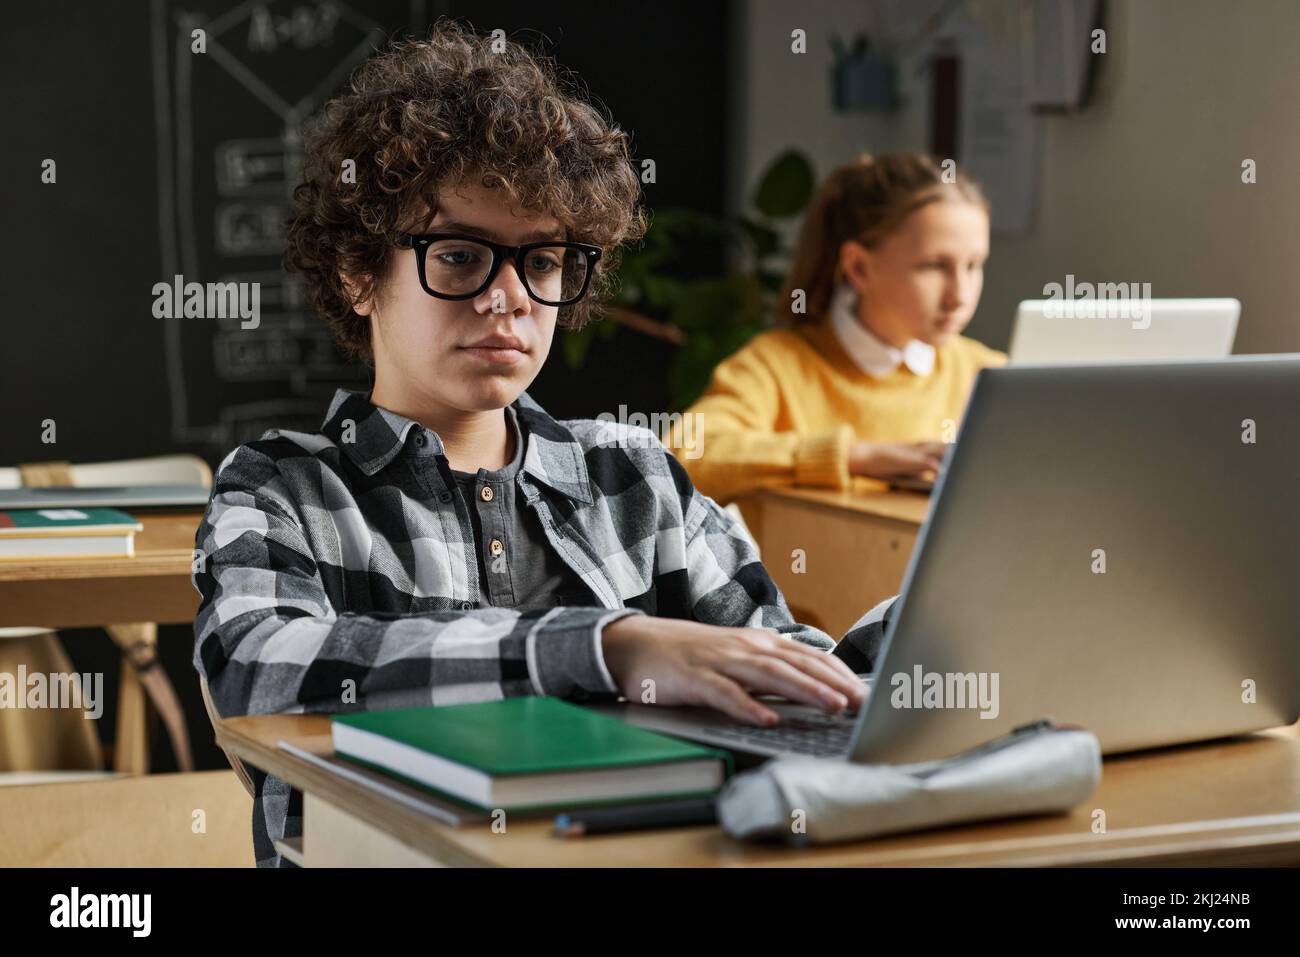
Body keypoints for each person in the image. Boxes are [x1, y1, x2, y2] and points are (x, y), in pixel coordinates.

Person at [191, 22, 888, 868]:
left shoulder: (630, 473)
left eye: (545, 262)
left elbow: (785, 673)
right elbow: (259, 670)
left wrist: (934, 630)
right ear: (356, 271)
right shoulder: (282, 487)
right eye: (459, 257)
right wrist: (604, 647)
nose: (510, 301)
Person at [666, 153, 1006, 507]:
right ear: (859, 268)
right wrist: (853, 456)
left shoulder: (990, 375)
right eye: (934, 266)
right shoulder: (773, 367)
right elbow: (681, 458)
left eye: (974, 265)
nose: (960, 295)